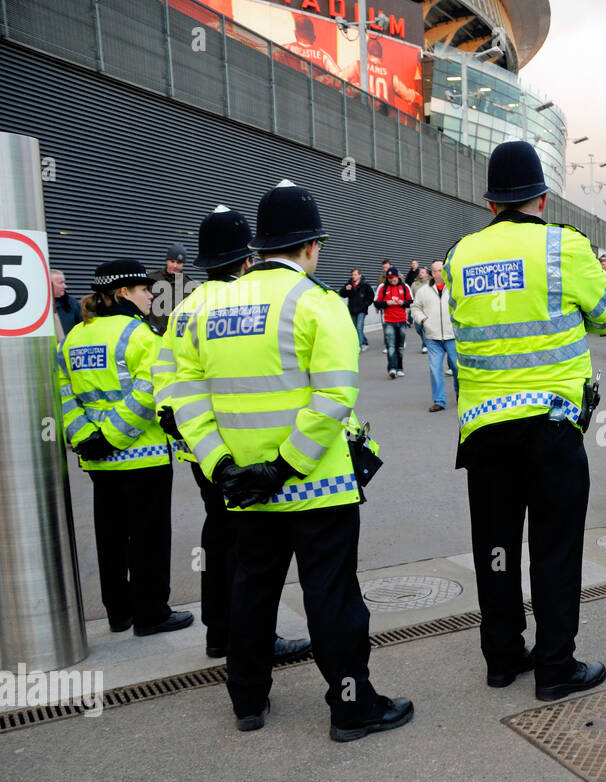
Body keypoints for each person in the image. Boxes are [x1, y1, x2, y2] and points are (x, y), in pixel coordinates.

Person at [171, 178, 412, 740]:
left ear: (257, 249)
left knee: (251, 591)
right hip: (317, 486)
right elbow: (333, 399)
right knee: (331, 597)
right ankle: (352, 708)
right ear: (310, 247)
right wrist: (284, 467)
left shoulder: (202, 307)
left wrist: (222, 468)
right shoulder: (317, 302)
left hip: (244, 490)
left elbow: (187, 399)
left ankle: (248, 702)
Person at [445, 141, 606, 701]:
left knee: (494, 546)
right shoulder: (562, 246)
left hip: (484, 429)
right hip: (550, 425)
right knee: (554, 547)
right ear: (542, 199)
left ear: (490, 202)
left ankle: (502, 657)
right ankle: (554, 668)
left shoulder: (460, 255)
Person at [153, 205, 311, 664]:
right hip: (247, 449)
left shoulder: (185, 310)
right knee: (250, 552)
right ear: (247, 258)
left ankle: (219, 632)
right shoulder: (248, 301)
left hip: (202, 451)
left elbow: (166, 379)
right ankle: (253, 640)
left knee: (219, 536)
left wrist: (180, 426)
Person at [57, 260, 193, 637]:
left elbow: (65, 393)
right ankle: (151, 614)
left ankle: (119, 612)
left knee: (111, 536)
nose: (151, 294)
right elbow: (148, 393)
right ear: (123, 293)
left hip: (98, 462)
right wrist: (113, 437)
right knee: (148, 537)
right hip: (142, 457)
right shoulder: (140, 335)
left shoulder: (75, 335)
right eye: (144, 289)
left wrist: (89, 438)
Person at [412, 259, 457, 412]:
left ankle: (460, 394)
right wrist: (423, 320)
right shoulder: (423, 291)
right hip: (432, 337)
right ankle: (439, 401)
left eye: (443, 269)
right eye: (438, 270)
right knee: (435, 369)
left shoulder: (454, 289)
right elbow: (415, 308)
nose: (441, 272)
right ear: (432, 273)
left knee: (458, 368)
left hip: (452, 336)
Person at [147, 243, 200, 335]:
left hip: (176, 337)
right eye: (172, 261)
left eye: (179, 263)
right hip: (154, 335)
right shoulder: (151, 279)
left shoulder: (190, 285)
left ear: (183, 264)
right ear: (167, 261)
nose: (175, 265)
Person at [376, 266, 412, 379]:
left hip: (401, 320)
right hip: (388, 320)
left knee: (400, 346)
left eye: (393, 278)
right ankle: (392, 368)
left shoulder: (405, 287)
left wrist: (403, 302)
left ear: (397, 276)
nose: (391, 280)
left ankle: (400, 368)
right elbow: (376, 303)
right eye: (389, 278)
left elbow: (411, 301)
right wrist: (387, 303)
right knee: (391, 346)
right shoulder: (383, 287)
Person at [340, 267, 374, 351]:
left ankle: (359, 345)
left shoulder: (365, 285)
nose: (353, 276)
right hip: (352, 310)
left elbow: (371, 297)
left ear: (360, 275)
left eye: (355, 275)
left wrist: (365, 305)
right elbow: (342, 294)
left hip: (362, 310)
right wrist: (345, 289)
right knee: (355, 328)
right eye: (352, 275)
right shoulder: (349, 284)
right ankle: (365, 342)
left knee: (359, 327)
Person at [52, 269, 81, 339]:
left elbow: (82, 326)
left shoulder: (71, 302)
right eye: (60, 283)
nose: (65, 286)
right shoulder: (40, 305)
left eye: (64, 282)